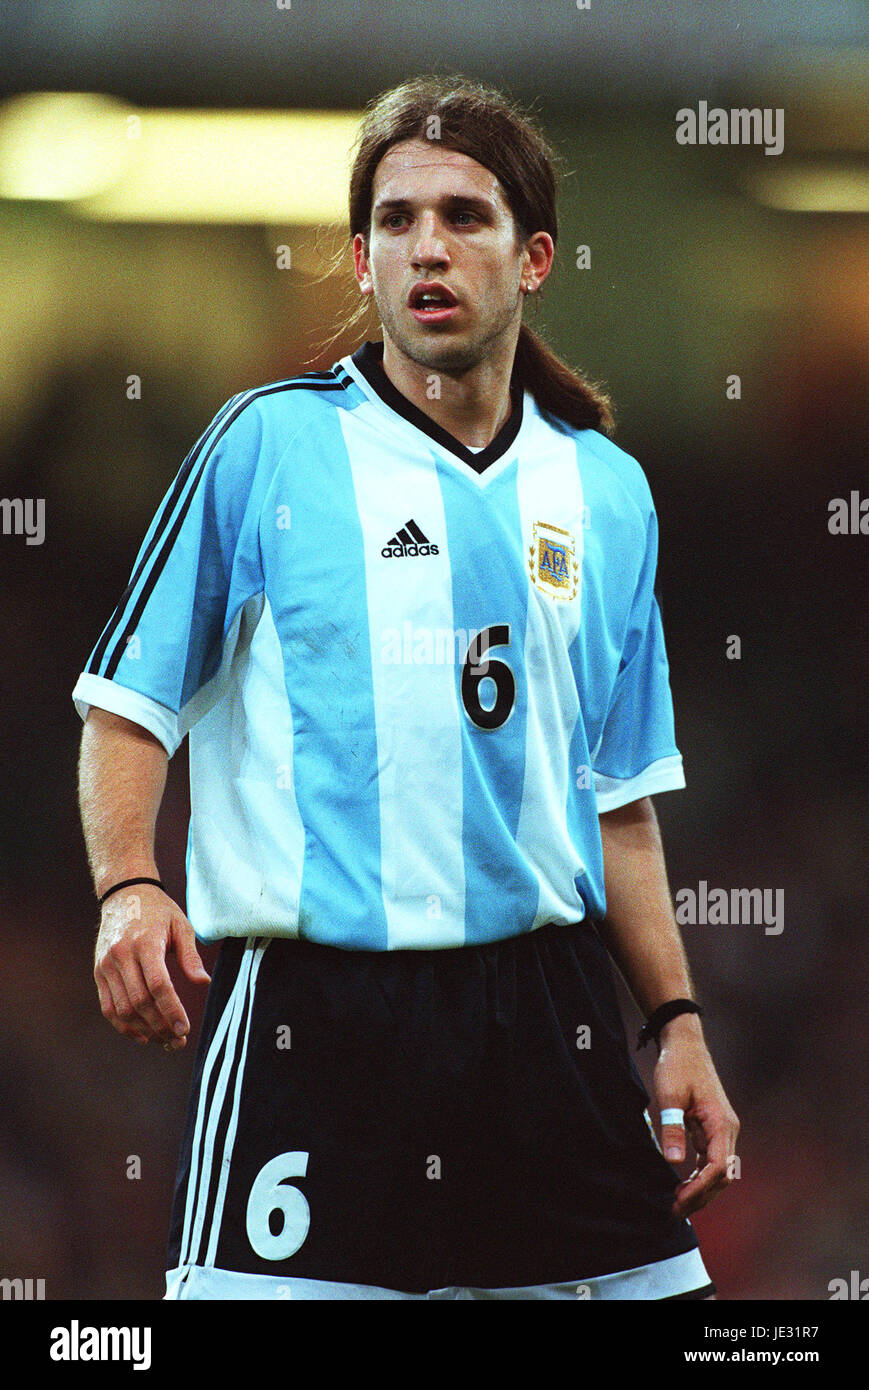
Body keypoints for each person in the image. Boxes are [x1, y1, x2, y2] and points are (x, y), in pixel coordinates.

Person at [75, 74, 739, 1300]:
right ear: (363, 257)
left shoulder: (604, 489)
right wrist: (128, 887)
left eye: (463, 216)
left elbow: (622, 800)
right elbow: (128, 705)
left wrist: (677, 1024)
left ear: (533, 257)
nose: (425, 245)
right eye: (393, 220)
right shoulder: (266, 446)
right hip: (319, 1018)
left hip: (551, 1015)